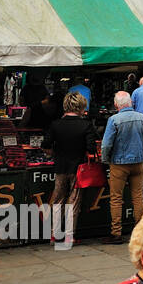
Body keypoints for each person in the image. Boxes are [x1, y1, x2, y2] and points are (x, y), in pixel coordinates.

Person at [100, 91, 143, 244]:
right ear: (130, 103)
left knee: (116, 198)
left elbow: (106, 144)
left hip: (118, 163)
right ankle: (139, 233)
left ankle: (116, 233)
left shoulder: (114, 120)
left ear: (117, 105)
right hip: (138, 163)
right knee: (138, 197)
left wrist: (106, 160)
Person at [42, 91, 95, 243]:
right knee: (74, 201)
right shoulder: (86, 125)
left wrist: (54, 152)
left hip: (60, 167)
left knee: (57, 200)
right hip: (78, 169)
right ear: (81, 107)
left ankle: (54, 234)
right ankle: (69, 236)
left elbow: (45, 144)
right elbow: (91, 149)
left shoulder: (55, 124)